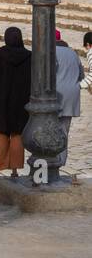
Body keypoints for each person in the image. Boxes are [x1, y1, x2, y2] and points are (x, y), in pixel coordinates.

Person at [0, 27, 31, 178]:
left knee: (2, 133)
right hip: (22, 102)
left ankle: (1, 167)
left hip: (2, 101)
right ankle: (15, 169)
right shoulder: (29, 57)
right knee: (17, 133)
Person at [48, 30, 84, 176]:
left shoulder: (51, 52)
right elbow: (81, 75)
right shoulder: (73, 53)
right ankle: (61, 160)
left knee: (49, 128)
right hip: (71, 96)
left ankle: (50, 160)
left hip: (55, 95)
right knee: (64, 130)